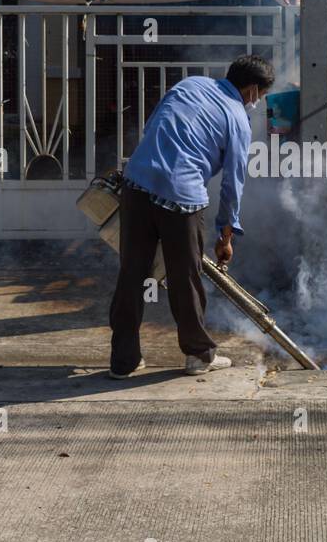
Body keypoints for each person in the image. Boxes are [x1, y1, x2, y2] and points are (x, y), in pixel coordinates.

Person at [108, 55, 275, 378]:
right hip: (181, 197)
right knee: (185, 278)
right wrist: (226, 236)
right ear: (253, 91)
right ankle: (198, 355)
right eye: (261, 96)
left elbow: (151, 126)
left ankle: (123, 361)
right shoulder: (239, 119)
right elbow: (232, 183)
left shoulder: (190, 84)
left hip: (137, 183)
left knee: (132, 273)